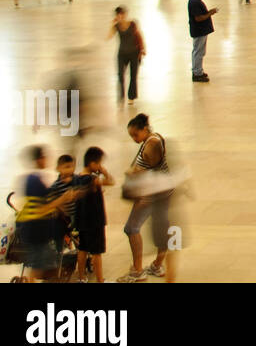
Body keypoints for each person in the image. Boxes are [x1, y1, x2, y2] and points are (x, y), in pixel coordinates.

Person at [116, 113, 176, 283]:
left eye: (135, 134)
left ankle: (137, 271)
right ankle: (157, 265)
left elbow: (150, 171)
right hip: (163, 191)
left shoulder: (152, 144)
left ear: (145, 129)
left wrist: (134, 174)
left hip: (153, 193)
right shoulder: (153, 139)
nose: (134, 139)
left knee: (131, 228)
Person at [15, 146, 80, 281]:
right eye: (44, 157)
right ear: (39, 159)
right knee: (39, 267)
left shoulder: (31, 179)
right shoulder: (35, 181)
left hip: (34, 231)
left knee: (43, 265)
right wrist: (63, 199)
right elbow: (42, 208)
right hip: (36, 231)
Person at [70, 146, 113, 283]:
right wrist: (105, 172)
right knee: (96, 253)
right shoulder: (92, 179)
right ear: (92, 163)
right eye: (99, 163)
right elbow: (111, 182)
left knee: (82, 249)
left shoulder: (77, 178)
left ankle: (81, 278)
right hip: (95, 222)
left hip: (82, 222)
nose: (100, 166)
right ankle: (100, 280)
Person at [109, 6, 145, 103]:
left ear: (125, 14)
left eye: (122, 14)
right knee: (120, 75)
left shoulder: (132, 24)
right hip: (122, 54)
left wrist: (142, 48)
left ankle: (131, 97)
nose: (120, 16)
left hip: (134, 53)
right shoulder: (116, 26)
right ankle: (121, 96)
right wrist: (112, 25)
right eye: (118, 15)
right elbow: (109, 36)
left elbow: (139, 35)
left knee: (133, 75)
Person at [187, 0, 216, 83]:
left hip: (201, 31)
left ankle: (198, 71)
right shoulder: (194, 3)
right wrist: (210, 13)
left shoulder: (195, 1)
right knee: (198, 52)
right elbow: (198, 18)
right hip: (199, 31)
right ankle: (197, 73)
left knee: (200, 52)